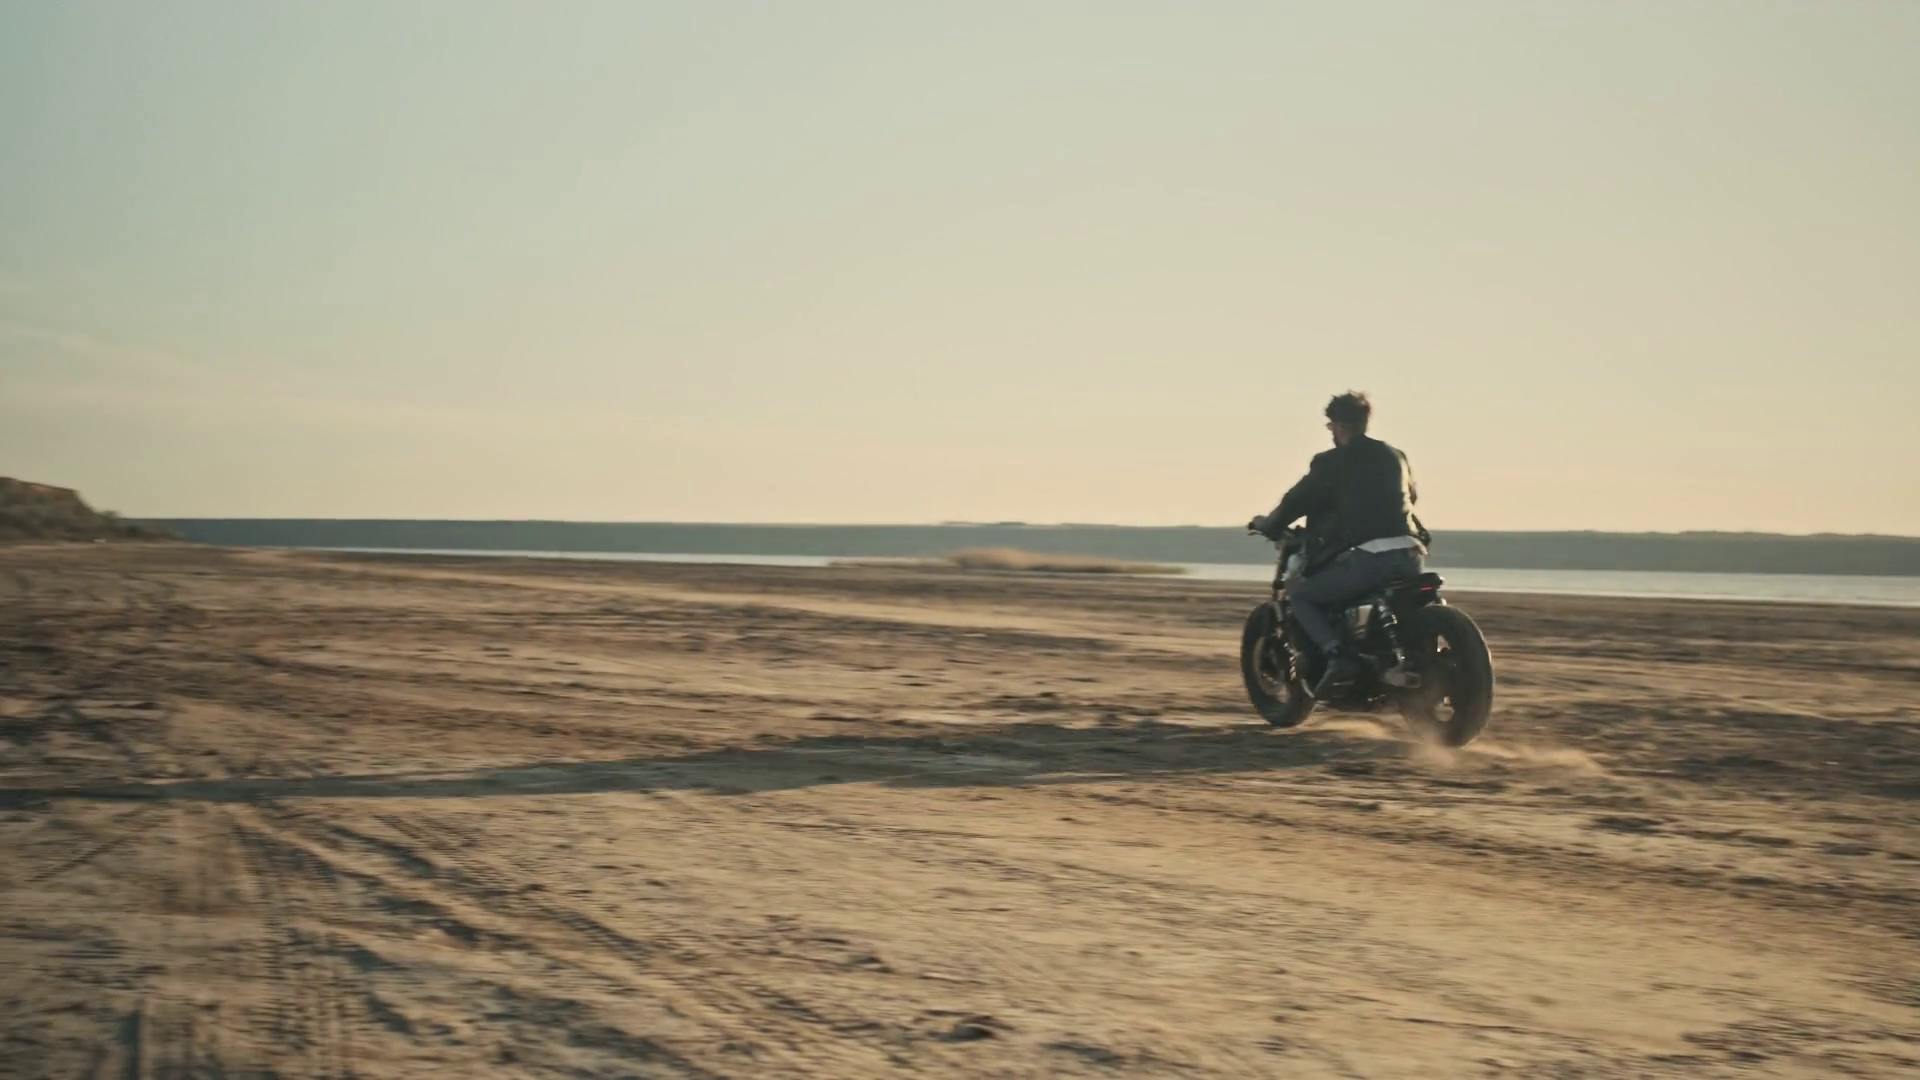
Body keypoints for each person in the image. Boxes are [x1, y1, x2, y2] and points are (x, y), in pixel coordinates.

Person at [1248, 392, 1426, 695]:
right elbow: (1411, 497)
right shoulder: (1396, 456)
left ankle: (1338, 655)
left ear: (1339, 425)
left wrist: (1269, 524)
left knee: (1303, 596)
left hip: (1372, 558)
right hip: (1412, 553)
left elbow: (1296, 501)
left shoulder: (1331, 462)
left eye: (1331, 426)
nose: (1331, 432)